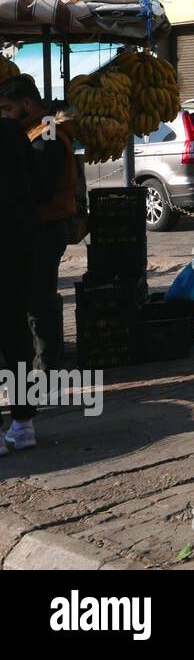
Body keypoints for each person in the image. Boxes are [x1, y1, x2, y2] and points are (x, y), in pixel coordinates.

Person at [0, 73, 77, 377]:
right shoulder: (31, 131)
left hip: (47, 226)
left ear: (27, 104)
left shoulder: (45, 135)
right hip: (41, 225)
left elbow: (39, 188)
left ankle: (46, 364)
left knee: (38, 296)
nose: (4, 115)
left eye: (7, 108)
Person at [0, 114, 39, 455]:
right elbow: (36, 186)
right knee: (16, 335)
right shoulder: (13, 132)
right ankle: (23, 423)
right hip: (15, 247)